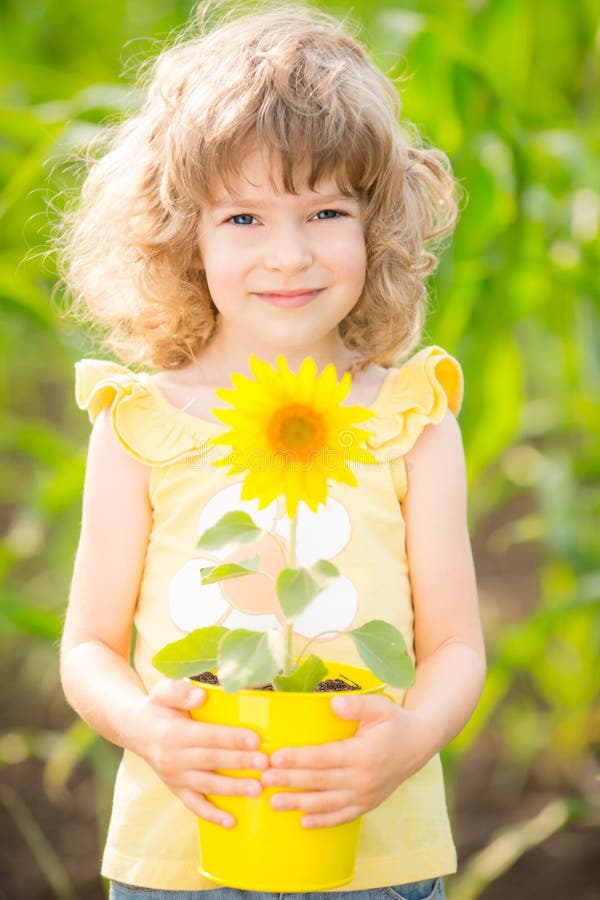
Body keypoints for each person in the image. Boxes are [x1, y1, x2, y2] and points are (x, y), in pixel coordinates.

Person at [58, 3, 486, 899]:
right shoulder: (142, 421)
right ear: (183, 237)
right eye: (243, 219)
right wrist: (152, 730)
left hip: (375, 852)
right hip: (186, 851)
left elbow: (453, 647)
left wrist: (406, 746)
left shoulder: (411, 416)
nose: (288, 255)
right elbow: (89, 648)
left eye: (325, 209)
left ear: (377, 225)